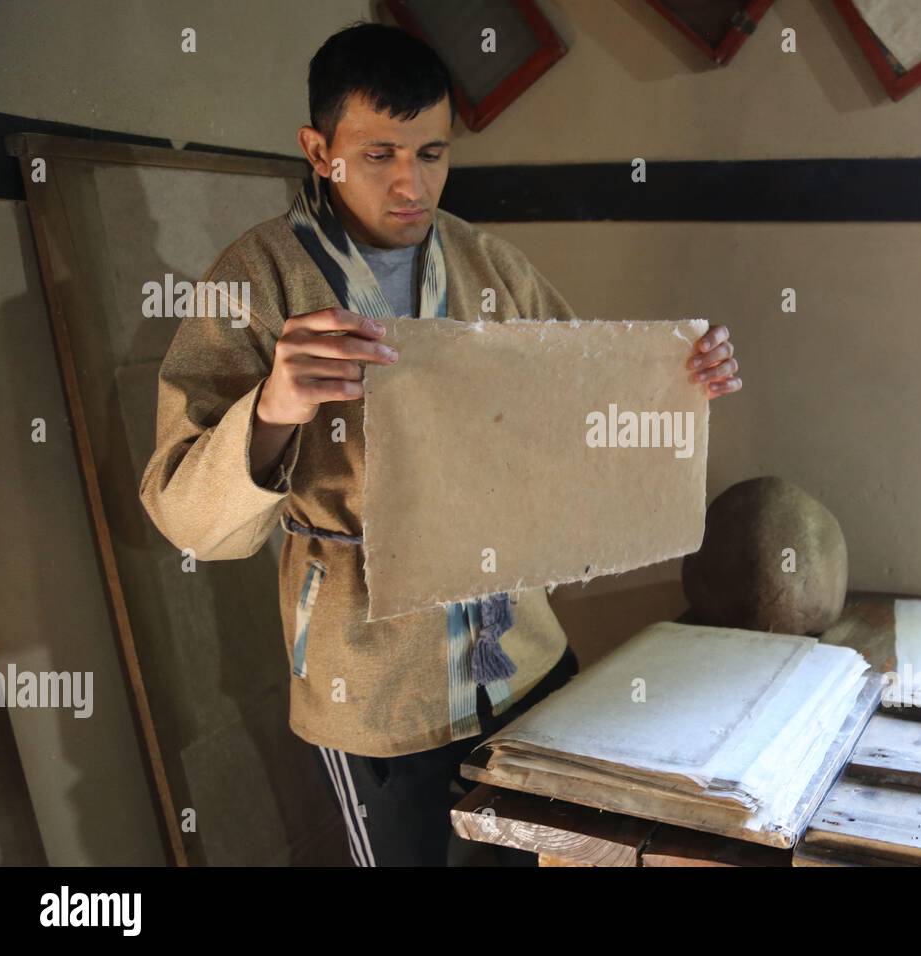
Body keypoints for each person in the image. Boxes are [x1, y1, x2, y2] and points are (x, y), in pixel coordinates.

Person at [139, 22, 743, 867]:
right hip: (376, 687)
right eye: (378, 153)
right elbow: (187, 519)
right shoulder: (259, 281)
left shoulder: (488, 265)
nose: (409, 182)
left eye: (431, 152)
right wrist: (273, 404)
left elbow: (583, 411)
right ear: (319, 151)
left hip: (525, 657)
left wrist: (678, 380)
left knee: (550, 859)